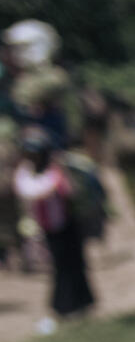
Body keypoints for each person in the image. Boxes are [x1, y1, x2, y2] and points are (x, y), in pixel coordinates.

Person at [14, 129, 96, 331]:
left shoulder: (57, 169)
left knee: (76, 263)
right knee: (62, 267)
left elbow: (67, 190)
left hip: (68, 223)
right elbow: (35, 190)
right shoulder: (34, 174)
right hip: (51, 229)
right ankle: (64, 307)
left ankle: (80, 303)